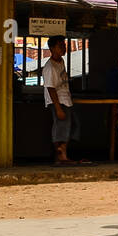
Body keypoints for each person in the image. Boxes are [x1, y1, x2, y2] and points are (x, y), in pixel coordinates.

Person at [42, 37, 84, 165]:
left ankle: (61, 152)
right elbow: (50, 88)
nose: (64, 48)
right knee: (62, 128)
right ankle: (61, 156)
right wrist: (58, 108)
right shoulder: (50, 67)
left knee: (73, 126)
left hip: (66, 100)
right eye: (60, 46)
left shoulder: (61, 62)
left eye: (64, 45)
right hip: (58, 101)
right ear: (52, 48)